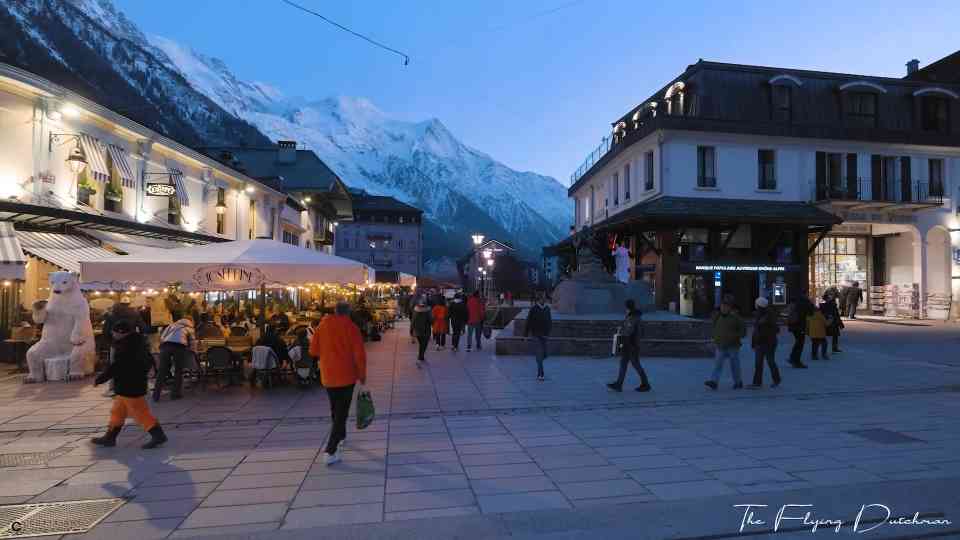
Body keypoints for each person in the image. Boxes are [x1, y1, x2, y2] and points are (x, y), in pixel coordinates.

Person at [91, 320, 168, 449]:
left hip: (130, 385)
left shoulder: (126, 347)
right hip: (130, 384)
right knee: (117, 412)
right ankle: (110, 437)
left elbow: (116, 366)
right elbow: (149, 360)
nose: (112, 333)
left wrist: (101, 379)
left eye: (114, 331)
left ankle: (158, 435)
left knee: (140, 413)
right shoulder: (137, 343)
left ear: (121, 333)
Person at [314, 302, 366, 465]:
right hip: (346, 375)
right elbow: (359, 355)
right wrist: (362, 376)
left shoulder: (322, 326)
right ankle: (330, 450)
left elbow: (313, 350)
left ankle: (341, 436)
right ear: (348, 313)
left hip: (328, 375)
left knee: (335, 408)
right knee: (341, 412)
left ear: (335, 312)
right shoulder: (352, 328)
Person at [608, 299, 650, 392]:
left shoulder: (633, 317)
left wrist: (620, 330)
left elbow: (628, 331)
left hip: (631, 344)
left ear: (628, 306)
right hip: (629, 344)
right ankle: (619, 384)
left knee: (636, 364)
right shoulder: (633, 316)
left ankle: (646, 384)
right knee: (623, 364)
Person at [704, 294, 746, 390]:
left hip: (733, 345)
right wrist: (715, 339)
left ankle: (738, 382)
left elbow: (743, 331)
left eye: (725, 306)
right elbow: (715, 329)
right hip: (720, 345)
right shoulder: (718, 317)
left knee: (734, 365)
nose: (723, 308)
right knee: (717, 365)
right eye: (722, 306)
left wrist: (734, 336)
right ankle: (714, 381)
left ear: (729, 308)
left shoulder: (736, 318)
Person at [154, 313, 196, 401]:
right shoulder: (189, 327)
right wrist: (193, 352)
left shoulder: (171, 325)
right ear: (191, 321)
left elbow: (162, 337)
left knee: (162, 370)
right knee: (178, 370)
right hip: (179, 347)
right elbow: (192, 342)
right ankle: (175, 394)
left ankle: (156, 395)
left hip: (165, 346)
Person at [749, 297, 781, 389]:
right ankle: (757, 382)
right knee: (759, 363)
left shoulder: (769, 316)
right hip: (761, 342)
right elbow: (756, 331)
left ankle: (776, 380)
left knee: (769, 362)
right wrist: (754, 342)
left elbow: (775, 329)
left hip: (767, 343)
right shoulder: (760, 315)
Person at [525, 293, 553, 381]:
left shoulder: (547, 309)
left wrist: (549, 331)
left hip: (545, 334)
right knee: (539, 353)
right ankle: (540, 374)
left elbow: (549, 321)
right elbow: (528, 321)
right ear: (538, 300)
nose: (544, 300)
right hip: (536, 334)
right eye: (542, 299)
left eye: (545, 299)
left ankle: (539, 359)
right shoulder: (533, 309)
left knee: (545, 354)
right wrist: (525, 334)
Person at [786, 295, 812, 369]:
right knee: (800, 343)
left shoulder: (795, 303)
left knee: (798, 342)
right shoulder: (803, 303)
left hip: (793, 326)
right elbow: (811, 312)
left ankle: (792, 358)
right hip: (799, 326)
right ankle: (796, 361)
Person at [411, 298, 433, 367]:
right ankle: (419, 359)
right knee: (424, 345)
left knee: (421, 344)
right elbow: (431, 320)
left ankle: (421, 357)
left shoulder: (415, 310)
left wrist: (411, 331)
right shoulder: (428, 311)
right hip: (426, 330)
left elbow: (413, 321)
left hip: (417, 331)